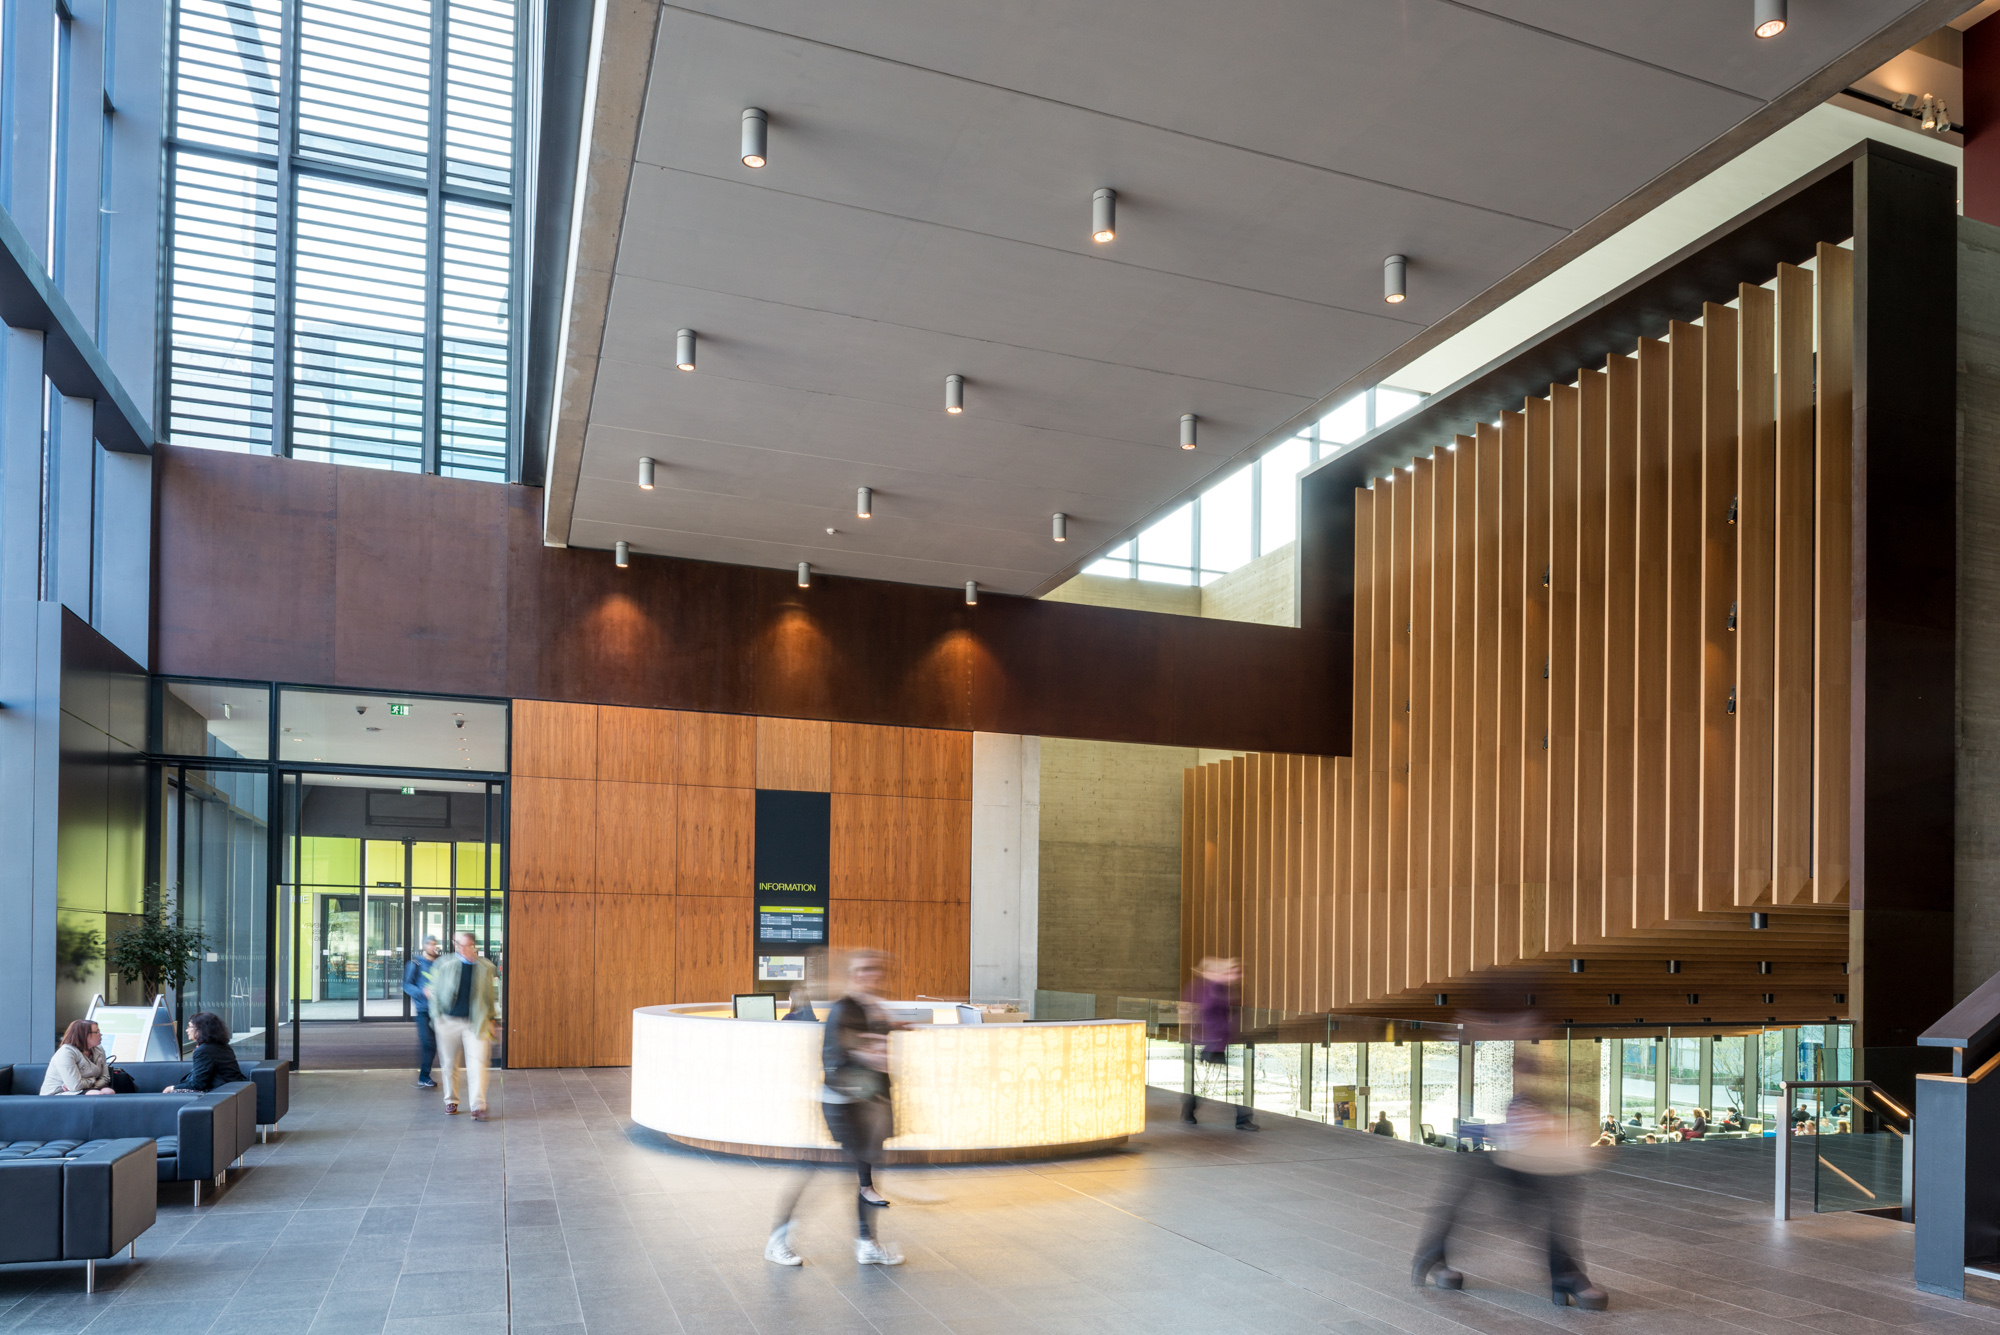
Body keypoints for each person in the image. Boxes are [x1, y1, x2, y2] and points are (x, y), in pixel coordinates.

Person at [767, 950, 906, 1268]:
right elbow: (834, 1063)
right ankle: (778, 1240)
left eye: (876, 969)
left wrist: (895, 1028)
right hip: (841, 1106)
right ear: (853, 975)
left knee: (864, 1177)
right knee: (826, 1169)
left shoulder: (870, 1007)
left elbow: (873, 1039)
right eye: (865, 969)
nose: (872, 975)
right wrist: (867, 1057)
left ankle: (866, 1243)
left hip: (866, 1106)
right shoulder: (844, 1010)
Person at [1413, 1093, 1608, 1310]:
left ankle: (1565, 1274)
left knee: (1555, 1197)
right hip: (1517, 1152)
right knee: (1476, 1181)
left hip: (1534, 1152)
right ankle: (1434, 1254)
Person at [427, 931, 499, 1121]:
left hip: (475, 1023)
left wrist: (492, 1019)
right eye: (458, 944)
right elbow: (433, 991)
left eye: (465, 944)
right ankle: (451, 1100)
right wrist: (437, 1017)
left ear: (474, 946)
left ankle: (478, 1106)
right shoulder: (444, 964)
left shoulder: (486, 967)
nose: (461, 948)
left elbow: (489, 997)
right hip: (448, 1022)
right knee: (449, 1064)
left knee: (478, 1063)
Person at [1182, 957, 1257, 1131]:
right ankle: (1243, 1119)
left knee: (1221, 1081)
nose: (1238, 975)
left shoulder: (1225, 989)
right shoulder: (1203, 988)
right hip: (1210, 1043)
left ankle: (1188, 1109)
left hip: (1221, 1042)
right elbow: (1199, 1013)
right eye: (1231, 972)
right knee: (1232, 1080)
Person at [164, 1012, 247, 1092]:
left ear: (201, 1029)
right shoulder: (223, 1046)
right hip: (232, 1090)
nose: (186, 1030)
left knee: (172, 1093)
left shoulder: (203, 1050)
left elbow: (197, 1084)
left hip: (218, 1093)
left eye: (189, 1026)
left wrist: (173, 1088)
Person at [403, 935, 442, 1089]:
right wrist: (422, 992)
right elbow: (407, 985)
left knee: (436, 1044)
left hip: (440, 1009)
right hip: (423, 1010)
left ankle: (426, 1075)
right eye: (430, 944)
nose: (433, 947)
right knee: (428, 1043)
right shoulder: (415, 963)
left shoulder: (440, 963)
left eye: (435, 944)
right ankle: (424, 1076)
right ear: (424, 945)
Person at [42, 1019, 117, 1095]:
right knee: (96, 1094)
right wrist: (93, 1080)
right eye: (97, 1032)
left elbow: (105, 1078)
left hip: (83, 1089)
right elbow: (75, 1086)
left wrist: (89, 1084)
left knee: (109, 1092)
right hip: (59, 1093)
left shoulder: (99, 1049)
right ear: (84, 1035)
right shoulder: (66, 1052)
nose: (101, 1034)